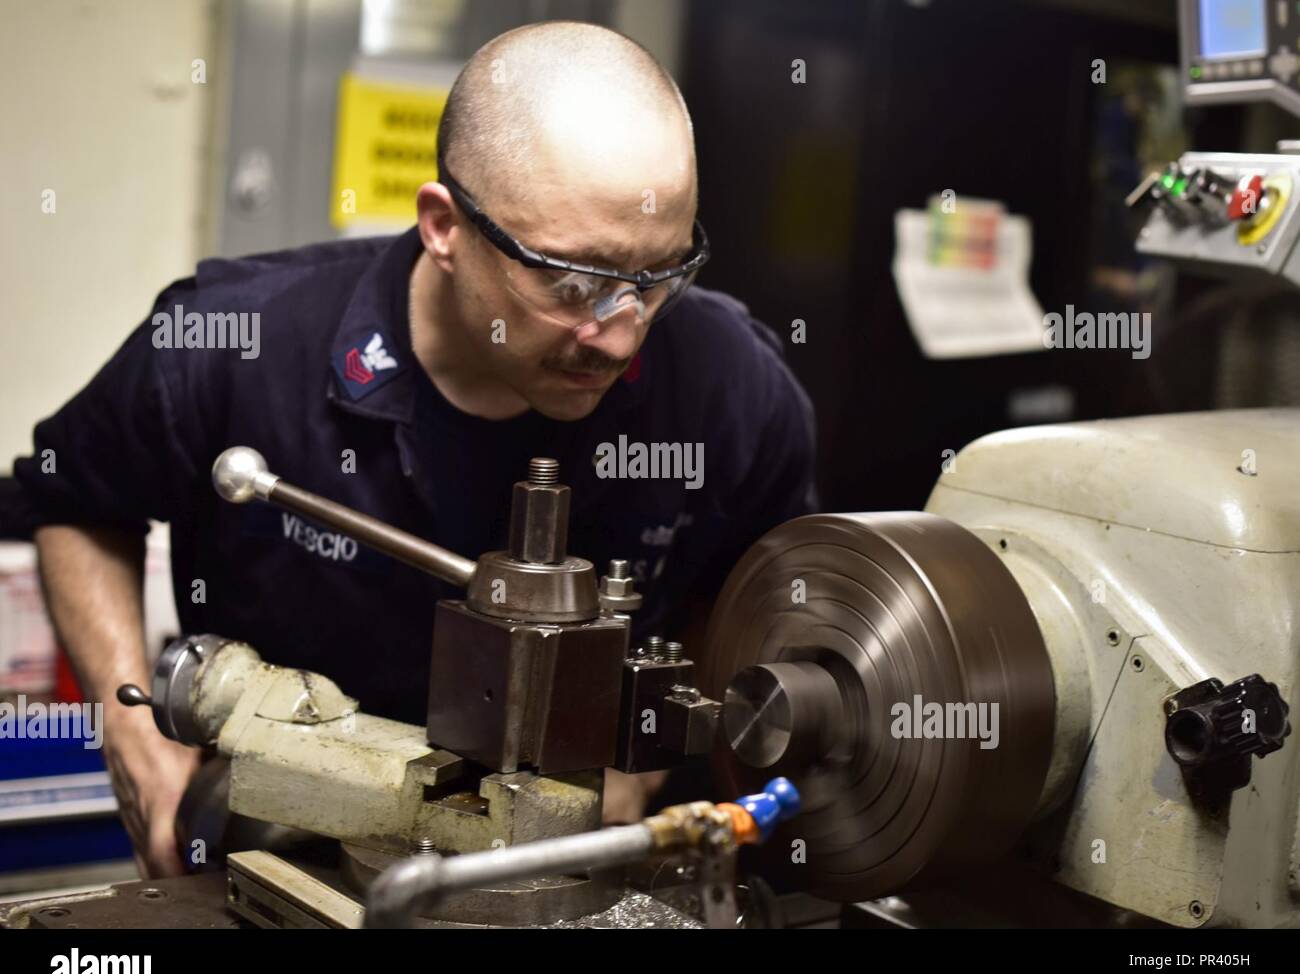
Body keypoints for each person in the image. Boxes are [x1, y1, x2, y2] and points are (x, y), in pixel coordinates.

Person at [10, 21, 816, 877]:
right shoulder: (231, 345)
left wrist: (640, 759)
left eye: (659, 276)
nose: (620, 337)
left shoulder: (733, 387)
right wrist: (131, 733)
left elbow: (757, 586)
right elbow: (75, 502)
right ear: (444, 225)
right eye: (571, 282)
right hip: (276, 855)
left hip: (564, 871)